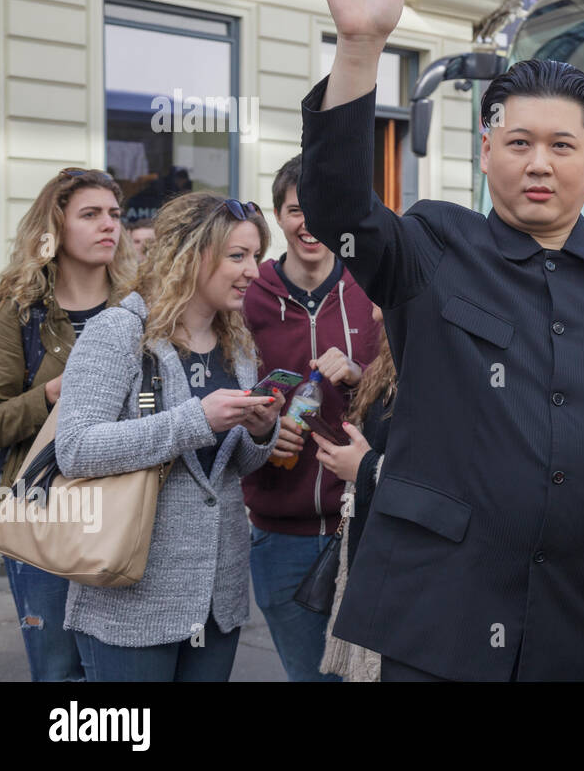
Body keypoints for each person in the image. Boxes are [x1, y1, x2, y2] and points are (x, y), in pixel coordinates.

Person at [300, 0, 584, 681]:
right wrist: (359, 48)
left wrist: (567, 496)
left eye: (561, 146)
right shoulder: (435, 246)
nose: (538, 164)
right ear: (486, 152)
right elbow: (339, 208)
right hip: (440, 612)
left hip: (578, 615)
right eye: (518, 143)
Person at [55, 193, 283, 681]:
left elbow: (225, 468)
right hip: (131, 598)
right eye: (237, 256)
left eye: (256, 257)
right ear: (191, 254)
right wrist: (195, 420)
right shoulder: (118, 332)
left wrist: (259, 432)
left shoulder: (236, 341)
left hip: (217, 599)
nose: (253, 272)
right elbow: (74, 449)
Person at [240, 154, 381, 682]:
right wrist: (260, 436)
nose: (310, 224)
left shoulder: (371, 288)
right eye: (298, 210)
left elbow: (405, 390)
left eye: (322, 210)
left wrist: (357, 373)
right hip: (282, 535)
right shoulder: (250, 297)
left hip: (365, 527)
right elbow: (223, 397)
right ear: (279, 216)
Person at [0, 168, 134, 681]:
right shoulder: (19, 310)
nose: (109, 226)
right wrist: (50, 396)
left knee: (122, 673)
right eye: (91, 214)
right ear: (54, 226)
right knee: (59, 674)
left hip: (125, 509)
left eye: (115, 215)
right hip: (44, 513)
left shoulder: (140, 305)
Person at [315, 302, 395, 682]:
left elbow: (452, 479)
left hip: (405, 580)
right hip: (366, 556)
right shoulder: (389, 359)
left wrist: (364, 468)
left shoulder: (446, 366)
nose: (375, 315)